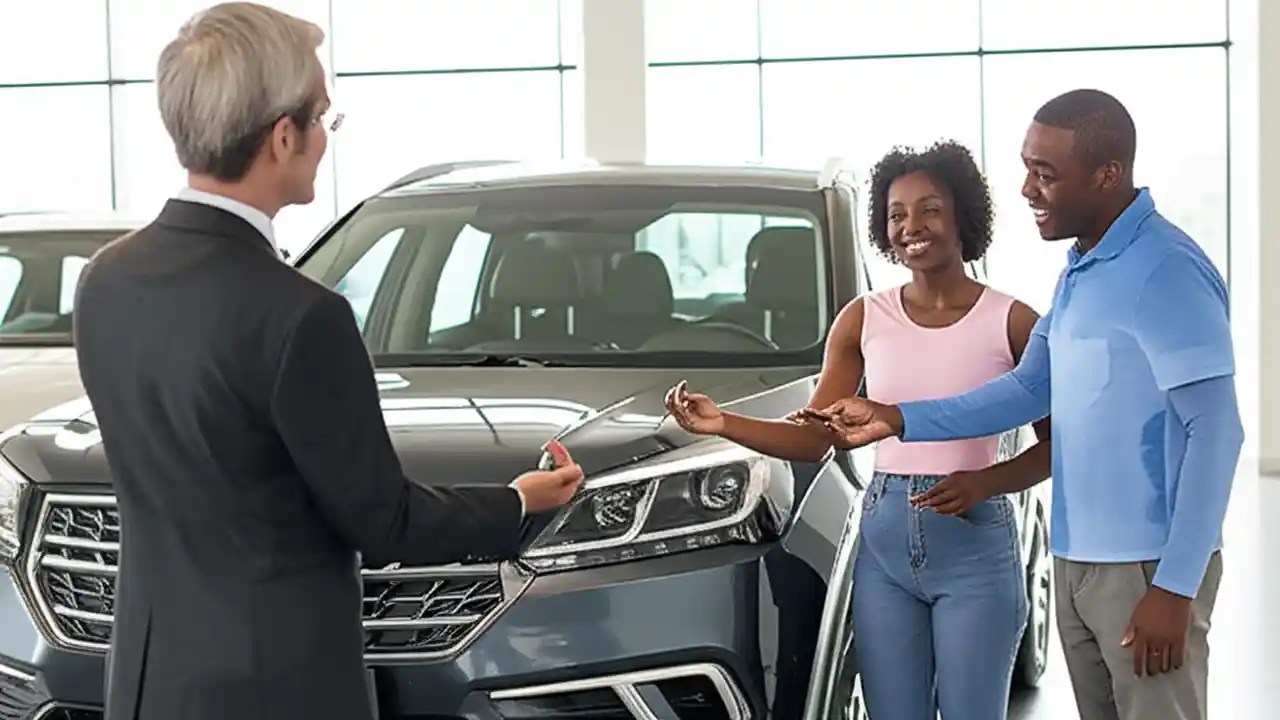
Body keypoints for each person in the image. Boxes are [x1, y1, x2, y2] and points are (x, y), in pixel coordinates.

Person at [71, 4, 584, 719]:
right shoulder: (300, 315)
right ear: (284, 136)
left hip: (148, 680)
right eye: (323, 118)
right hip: (280, 687)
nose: (324, 138)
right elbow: (383, 520)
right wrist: (520, 501)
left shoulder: (104, 282)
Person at [811, 89, 1244, 720]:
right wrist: (897, 419)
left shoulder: (1167, 270)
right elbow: (1024, 392)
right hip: (1079, 561)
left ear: (1108, 175)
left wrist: (1175, 586)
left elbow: (1217, 432)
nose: (1026, 190)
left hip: (1148, 566)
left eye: (1046, 174)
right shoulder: (1081, 273)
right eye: (1026, 168)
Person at [664, 140, 1051, 720]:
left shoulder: (1015, 321)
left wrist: (986, 483)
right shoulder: (864, 318)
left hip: (974, 544)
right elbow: (815, 438)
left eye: (929, 209)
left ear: (963, 215)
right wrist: (724, 423)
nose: (910, 226)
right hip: (886, 544)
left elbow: (1058, 447)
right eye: (896, 214)